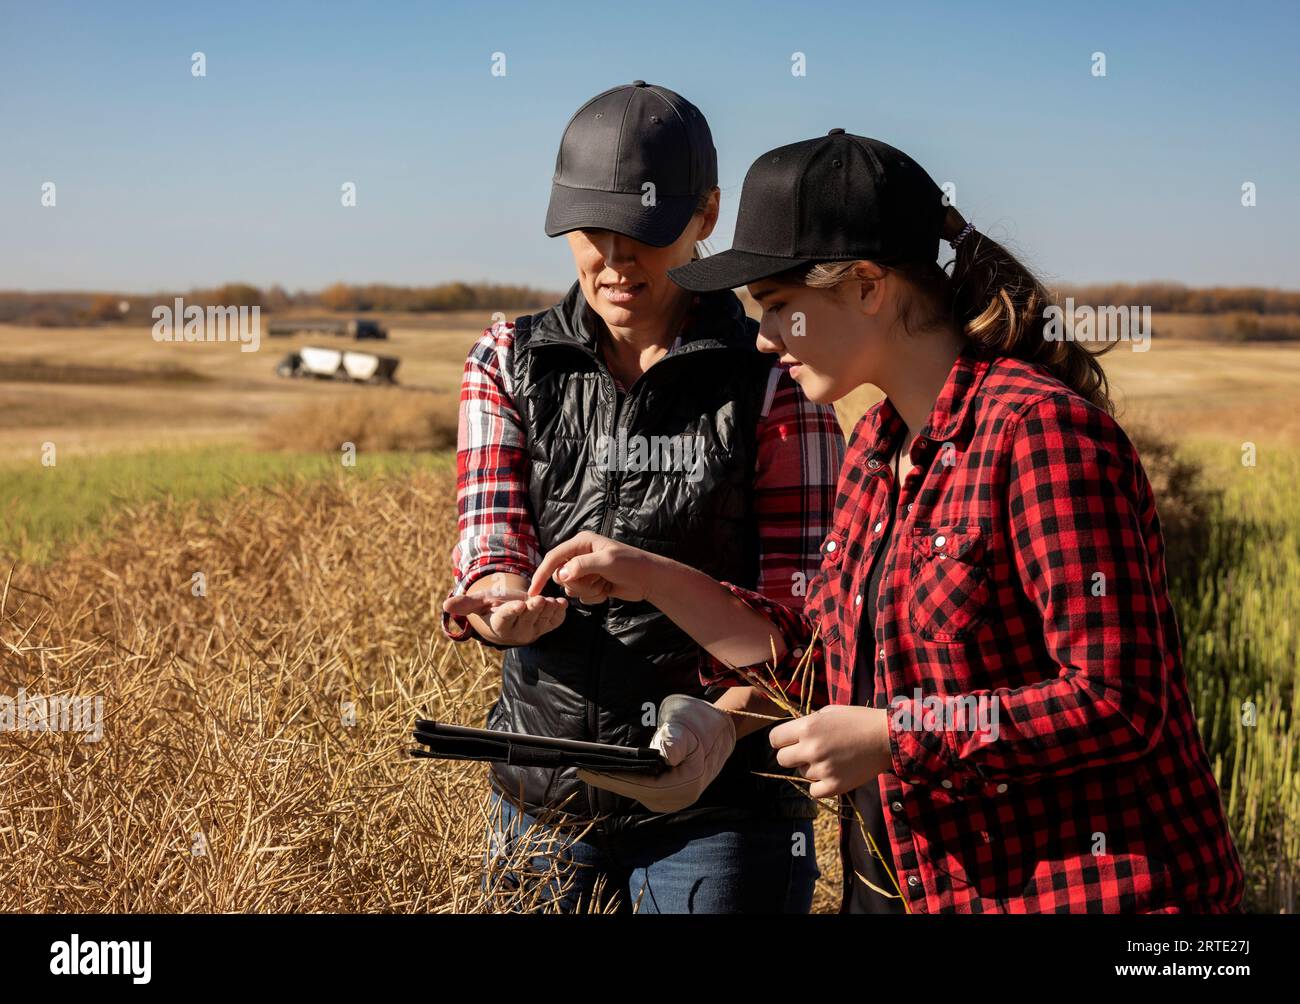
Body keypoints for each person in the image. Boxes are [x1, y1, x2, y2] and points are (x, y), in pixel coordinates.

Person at [531, 129, 1246, 913]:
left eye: (779, 308)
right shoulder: (876, 446)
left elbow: (1116, 702)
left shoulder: (1041, 436)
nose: (766, 339)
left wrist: (895, 740)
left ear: (867, 285)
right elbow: (822, 662)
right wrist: (704, 695)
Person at [440, 84, 845, 913]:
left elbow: (810, 628)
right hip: (541, 804)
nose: (618, 264)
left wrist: (721, 727)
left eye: (649, 237)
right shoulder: (508, 361)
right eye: (595, 236)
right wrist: (499, 603)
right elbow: (491, 539)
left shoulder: (778, 382)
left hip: (726, 815)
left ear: (706, 214)